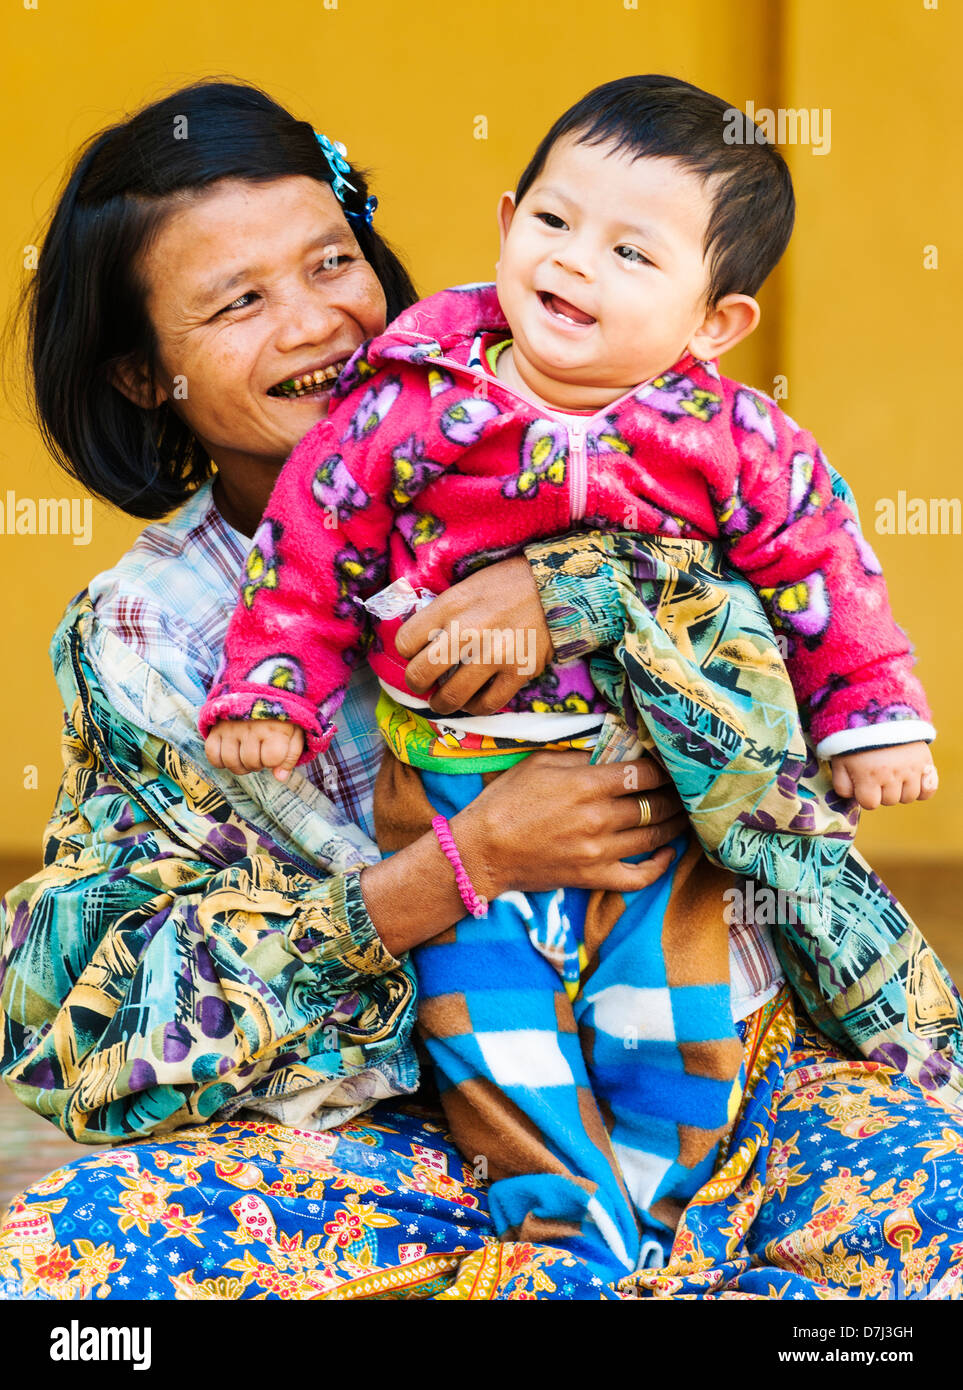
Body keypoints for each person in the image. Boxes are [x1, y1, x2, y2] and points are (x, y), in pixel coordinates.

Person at [1, 78, 961, 1303]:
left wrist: (581, 591)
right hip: (423, 1130)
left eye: (330, 263)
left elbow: (807, 685)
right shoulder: (155, 629)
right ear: (145, 375)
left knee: (938, 1211)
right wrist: (443, 876)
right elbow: (81, 1029)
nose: (315, 325)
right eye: (239, 303)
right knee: (69, 1273)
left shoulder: (606, 409)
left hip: (738, 1061)